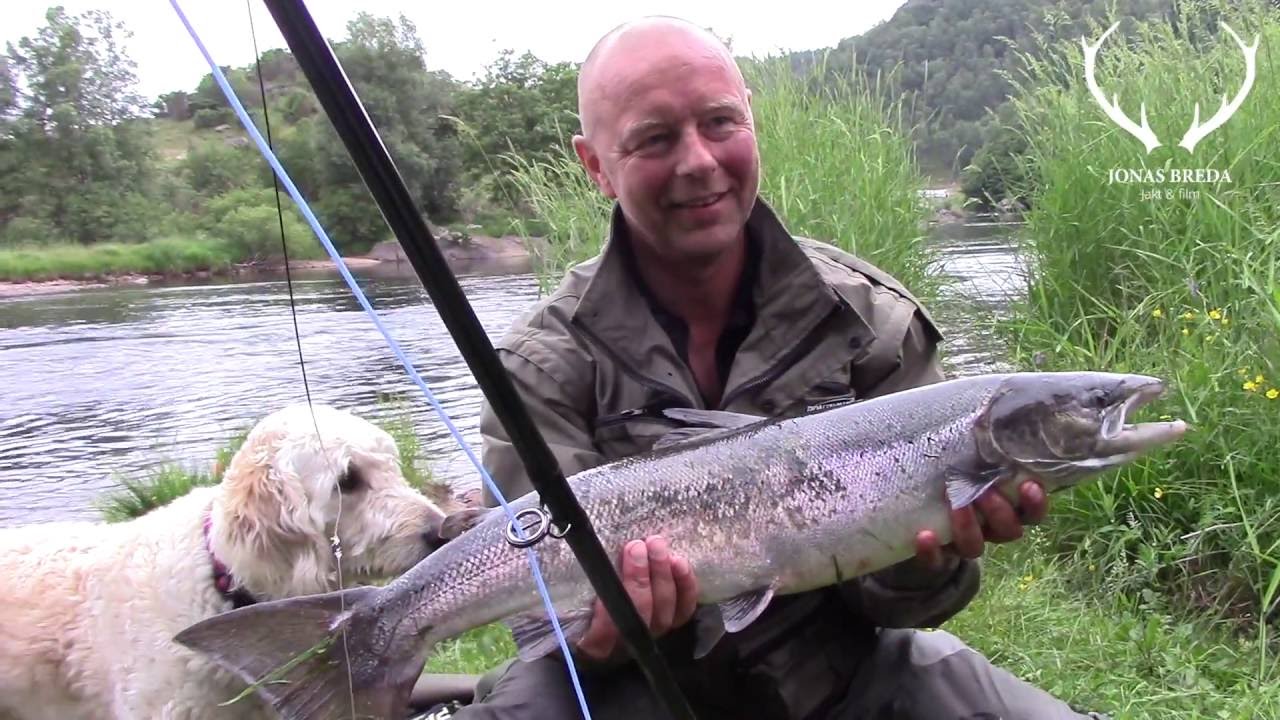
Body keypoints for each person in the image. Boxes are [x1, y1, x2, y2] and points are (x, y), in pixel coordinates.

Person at [458, 15, 1103, 720]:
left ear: (751, 120)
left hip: (836, 671)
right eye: (654, 138)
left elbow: (902, 606)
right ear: (596, 166)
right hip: (630, 688)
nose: (699, 160)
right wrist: (598, 634)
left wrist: (931, 558)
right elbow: (542, 623)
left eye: (720, 122)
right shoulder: (539, 365)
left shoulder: (869, 321)